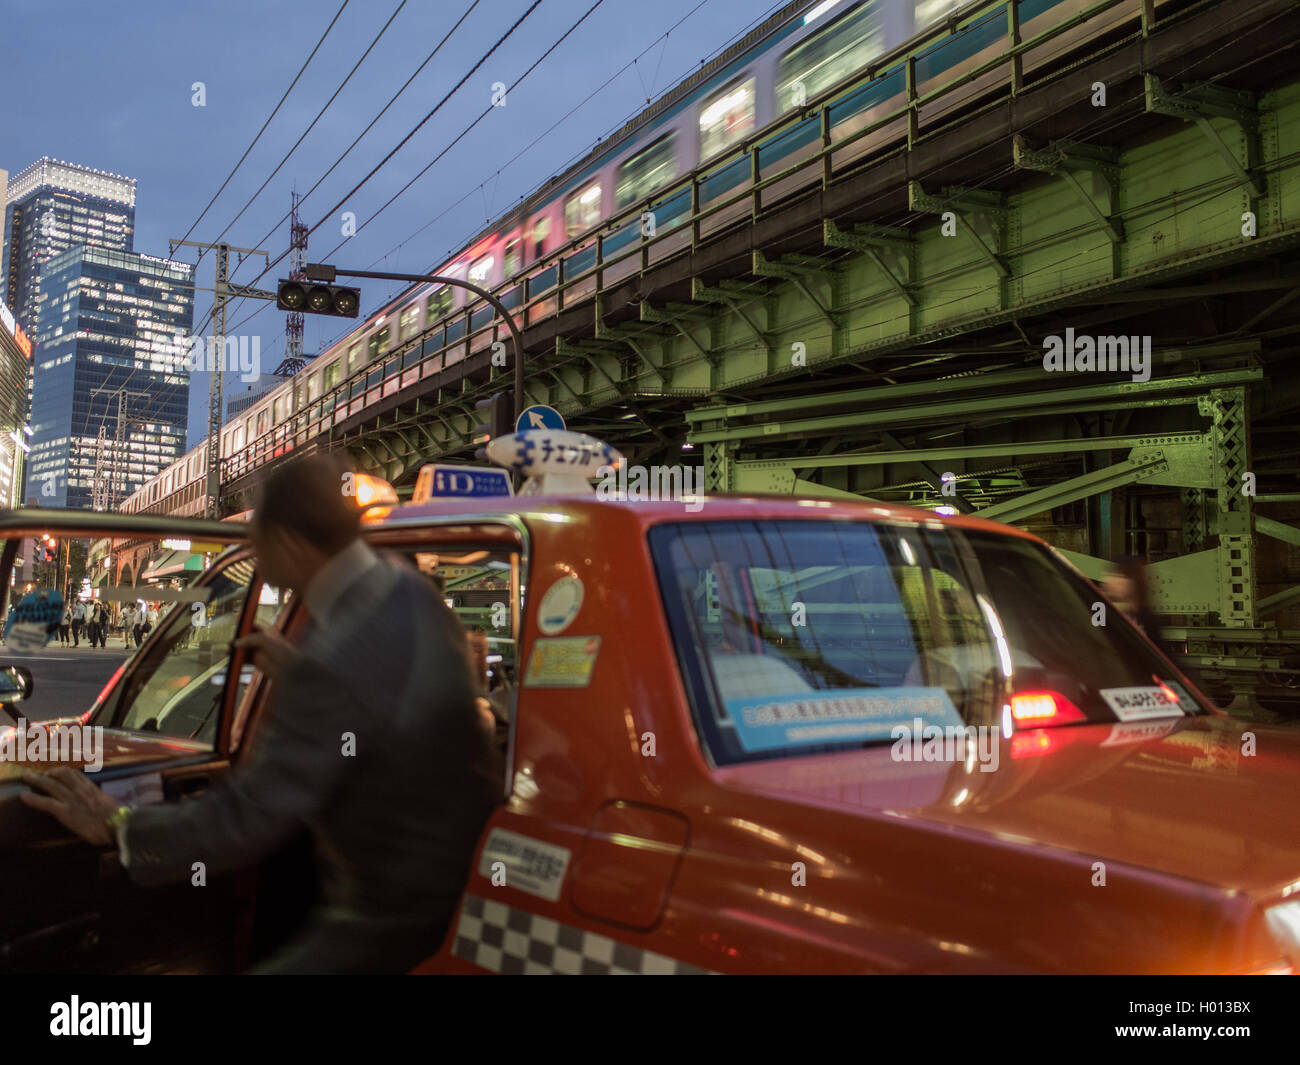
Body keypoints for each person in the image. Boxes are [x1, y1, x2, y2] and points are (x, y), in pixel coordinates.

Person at [23, 453, 501, 974]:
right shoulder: (409, 592)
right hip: (461, 892)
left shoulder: (331, 659)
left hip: (387, 922)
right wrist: (299, 676)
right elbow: (379, 703)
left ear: (290, 543)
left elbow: (248, 818)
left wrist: (119, 825)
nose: (252, 548)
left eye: (259, 537)